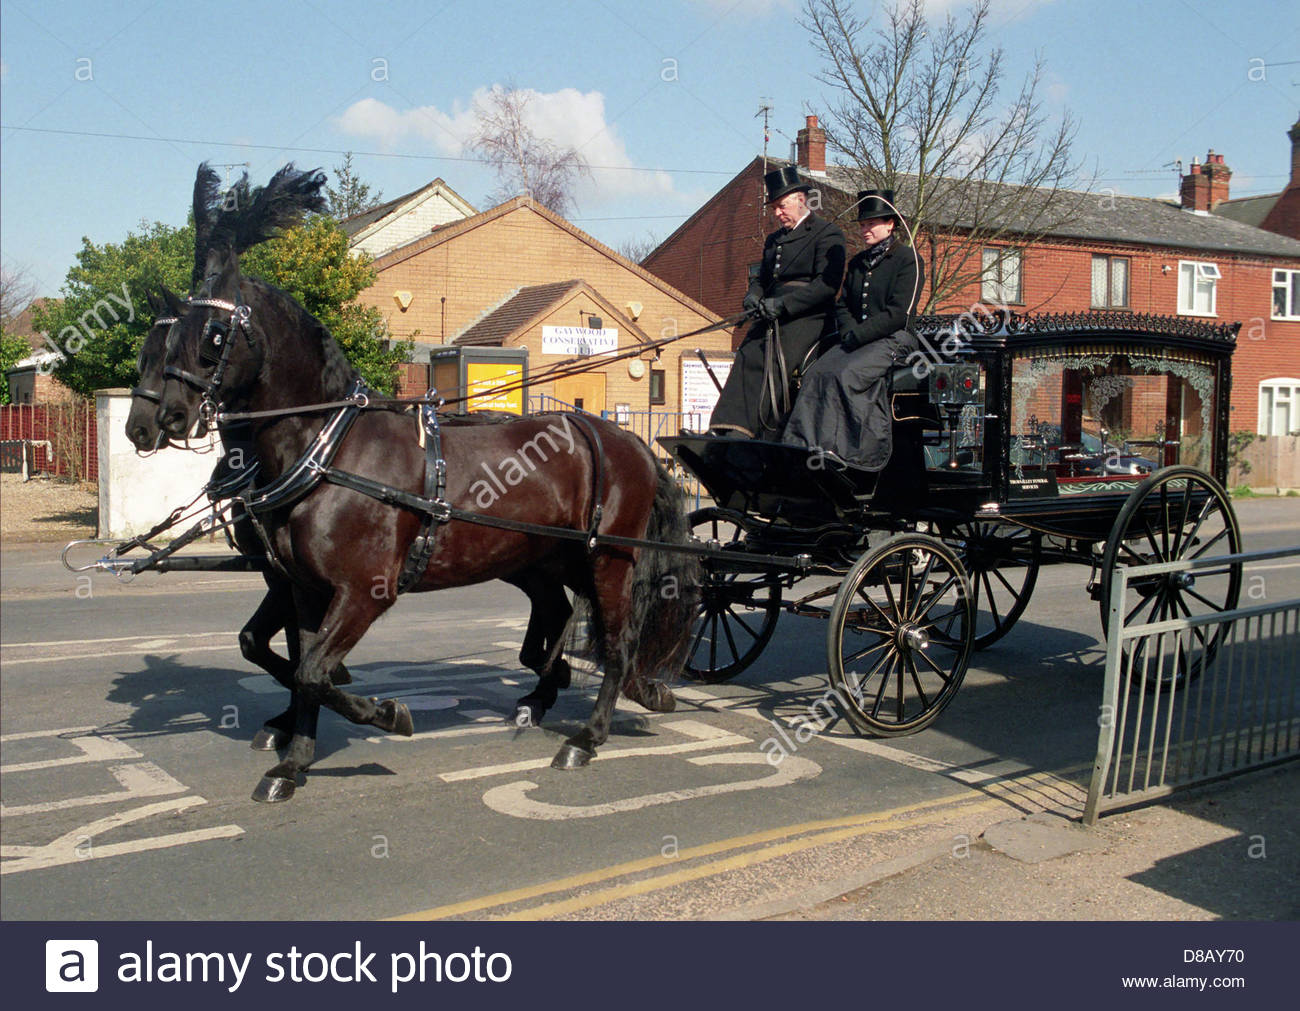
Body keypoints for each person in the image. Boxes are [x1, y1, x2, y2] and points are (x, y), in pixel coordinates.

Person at [781, 189, 923, 472]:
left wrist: (858, 335)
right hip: (856, 340)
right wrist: (849, 332)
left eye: (870, 224)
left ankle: (847, 453)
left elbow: (898, 313)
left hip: (895, 340)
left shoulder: (908, 260)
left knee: (846, 375)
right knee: (817, 373)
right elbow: (843, 304)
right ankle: (801, 446)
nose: (864, 230)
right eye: (862, 225)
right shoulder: (857, 263)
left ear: (890, 224)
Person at [708, 165, 846, 439]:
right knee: (748, 351)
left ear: (800, 199)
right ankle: (726, 426)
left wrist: (784, 305)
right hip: (771, 309)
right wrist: (753, 295)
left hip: (809, 315)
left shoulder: (827, 233)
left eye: (782, 206)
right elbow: (762, 278)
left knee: (774, 353)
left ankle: (758, 429)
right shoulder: (773, 240)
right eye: (774, 208)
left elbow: (825, 287)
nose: (777, 213)